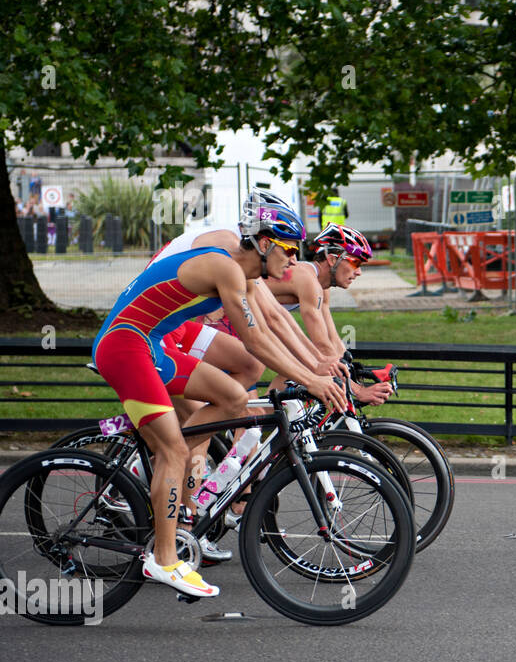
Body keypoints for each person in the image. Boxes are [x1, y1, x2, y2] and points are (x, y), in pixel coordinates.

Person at [90, 195, 346, 599]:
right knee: (175, 452)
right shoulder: (224, 267)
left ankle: (165, 467)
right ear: (264, 244)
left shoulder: (241, 274)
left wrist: (313, 367)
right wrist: (310, 378)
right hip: (126, 347)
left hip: (150, 344)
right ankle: (165, 558)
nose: (294, 262)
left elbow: (266, 330)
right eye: (290, 250)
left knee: (231, 395)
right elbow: (255, 338)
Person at [260, 224, 392, 405]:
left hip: (255, 324)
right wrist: (357, 390)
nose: (359, 272)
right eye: (356, 262)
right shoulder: (308, 281)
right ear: (331, 259)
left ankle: (260, 422)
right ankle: (254, 423)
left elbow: (332, 340)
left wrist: (350, 367)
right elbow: (321, 345)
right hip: (234, 321)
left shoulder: (322, 287)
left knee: (296, 370)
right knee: (307, 364)